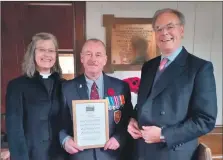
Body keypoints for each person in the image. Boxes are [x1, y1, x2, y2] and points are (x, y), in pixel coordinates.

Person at [127, 8, 218, 160]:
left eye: (170, 27)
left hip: (173, 153)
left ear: (181, 30)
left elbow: (205, 120)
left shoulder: (199, 68)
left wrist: (163, 134)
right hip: (142, 151)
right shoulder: (148, 66)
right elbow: (144, 105)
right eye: (159, 29)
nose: (164, 32)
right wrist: (132, 120)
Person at [59, 38, 133, 160]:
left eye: (98, 55)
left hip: (112, 155)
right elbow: (59, 122)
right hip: (80, 155)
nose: (93, 59)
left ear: (105, 60)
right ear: (82, 58)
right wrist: (65, 140)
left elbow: (128, 120)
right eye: (88, 54)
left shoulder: (121, 87)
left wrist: (119, 138)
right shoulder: (67, 88)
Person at [6, 32, 66, 160]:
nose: (47, 54)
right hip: (31, 155)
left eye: (51, 50)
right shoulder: (17, 86)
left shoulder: (65, 85)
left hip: (61, 156)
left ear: (56, 55)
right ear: (32, 53)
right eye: (42, 50)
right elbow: (15, 130)